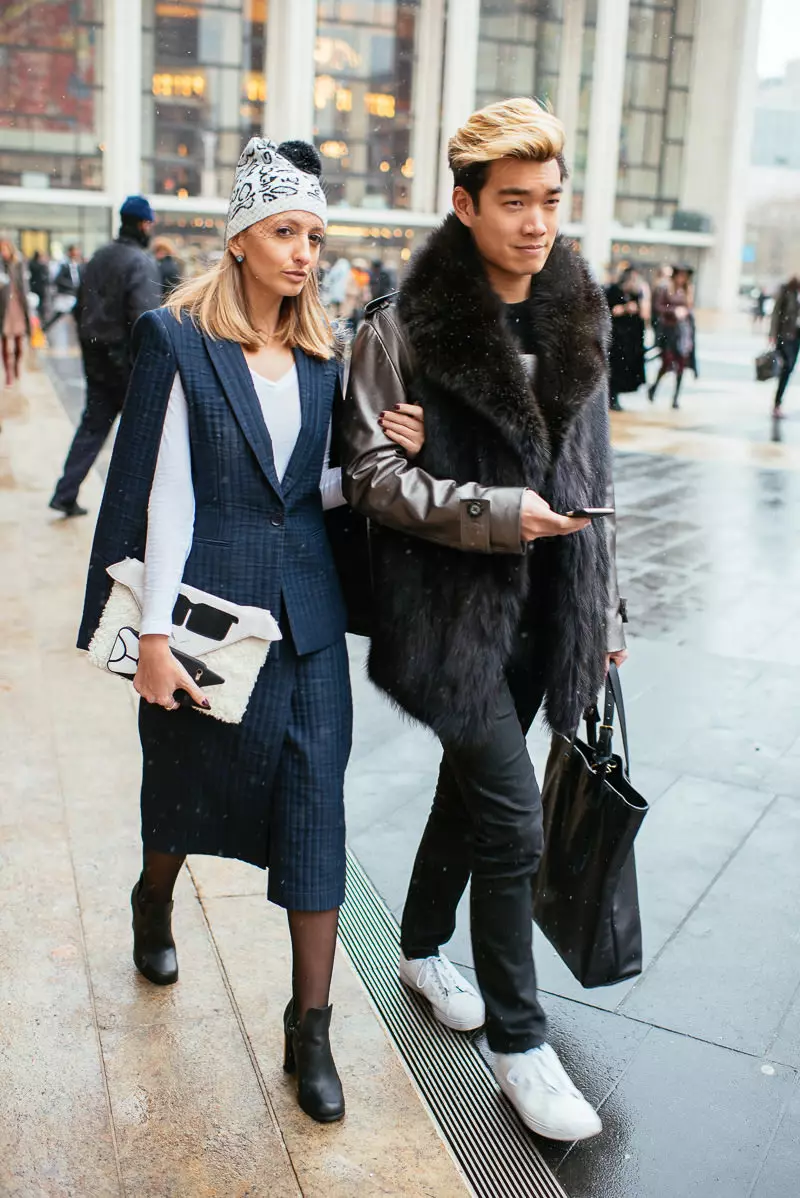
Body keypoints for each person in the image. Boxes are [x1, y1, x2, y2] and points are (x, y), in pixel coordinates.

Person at [76, 138, 424, 1124]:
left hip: (307, 619)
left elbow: (308, 490)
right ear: (237, 241)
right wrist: (150, 635)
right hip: (205, 611)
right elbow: (166, 495)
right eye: (284, 231)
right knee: (182, 793)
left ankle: (307, 1026)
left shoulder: (325, 355)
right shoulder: (176, 340)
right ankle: (155, 895)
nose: (304, 251)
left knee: (317, 817)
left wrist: (396, 448)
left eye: (315, 234)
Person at [342, 97, 627, 1142]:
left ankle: (420, 945)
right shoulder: (399, 326)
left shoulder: (573, 315)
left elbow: (597, 471)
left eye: (549, 200)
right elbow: (370, 475)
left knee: (468, 803)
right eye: (512, 202)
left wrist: (606, 601)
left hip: (544, 611)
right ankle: (518, 1044)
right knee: (512, 823)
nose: (536, 222)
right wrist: (495, 506)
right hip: (447, 618)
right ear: (463, 204)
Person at [49, 196, 161, 517]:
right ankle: (136, 510)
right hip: (126, 362)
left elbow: (81, 305)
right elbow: (146, 320)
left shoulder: (98, 257)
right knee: (145, 435)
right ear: (142, 224)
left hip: (96, 357)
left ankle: (65, 491)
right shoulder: (140, 262)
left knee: (93, 427)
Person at [647, 264, 696, 409]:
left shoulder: (687, 290)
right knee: (667, 362)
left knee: (681, 365)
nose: (682, 279)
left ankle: (675, 398)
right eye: (680, 276)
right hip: (668, 331)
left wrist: (685, 312)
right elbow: (658, 306)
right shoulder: (666, 288)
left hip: (682, 332)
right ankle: (654, 388)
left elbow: (690, 309)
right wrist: (674, 310)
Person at [606, 266, 648, 411]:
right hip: (615, 337)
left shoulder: (635, 294)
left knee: (624, 369)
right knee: (614, 368)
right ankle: (612, 397)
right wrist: (624, 309)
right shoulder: (613, 291)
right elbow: (608, 311)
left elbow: (643, 316)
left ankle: (615, 397)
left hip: (629, 339)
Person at [0, 238, 30, 387]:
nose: (3, 252)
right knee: (5, 343)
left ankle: (17, 366)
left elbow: (24, 286)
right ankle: (8, 374)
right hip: (3, 307)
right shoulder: (1, 265)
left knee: (19, 342)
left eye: (4, 249)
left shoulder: (18, 264)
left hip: (17, 305)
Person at [770, 275, 800, 418]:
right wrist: (772, 334)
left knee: (789, 368)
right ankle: (777, 403)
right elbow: (776, 312)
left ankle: (778, 402)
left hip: (797, 337)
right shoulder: (788, 290)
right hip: (785, 335)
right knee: (787, 366)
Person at [43, 244, 83, 332]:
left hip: (75, 295)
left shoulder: (80, 266)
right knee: (58, 315)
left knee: (78, 316)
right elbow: (58, 279)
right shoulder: (65, 266)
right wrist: (71, 286)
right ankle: (44, 330)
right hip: (67, 295)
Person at [151, 236, 183, 300]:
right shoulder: (172, 265)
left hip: (163, 300)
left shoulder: (162, 266)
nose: (156, 254)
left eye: (158, 251)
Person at [28, 250, 50, 322]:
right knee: (41, 303)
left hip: (34, 286)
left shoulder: (31, 264)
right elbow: (45, 277)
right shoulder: (41, 265)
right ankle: (41, 316)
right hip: (40, 287)